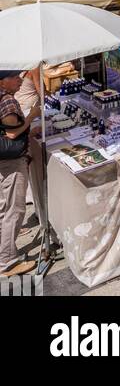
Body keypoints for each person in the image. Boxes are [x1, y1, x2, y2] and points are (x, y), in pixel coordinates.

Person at [0, 70, 38, 278]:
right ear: (3, 82)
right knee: (14, 210)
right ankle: (7, 261)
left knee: (4, 208)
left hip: (3, 162)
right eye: (15, 77)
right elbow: (12, 133)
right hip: (11, 163)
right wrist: (32, 116)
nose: (20, 80)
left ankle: (3, 252)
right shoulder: (7, 102)